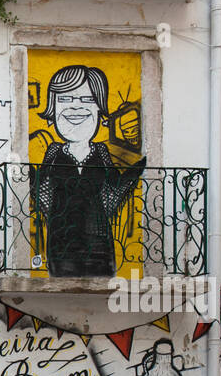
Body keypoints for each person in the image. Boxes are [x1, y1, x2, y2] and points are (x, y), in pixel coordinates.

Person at [34, 64, 145, 277]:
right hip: (61, 241)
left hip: (99, 240)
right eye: (65, 99)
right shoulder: (54, 151)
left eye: (87, 100)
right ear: (53, 109)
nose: (76, 107)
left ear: (99, 110)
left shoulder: (101, 151)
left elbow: (114, 188)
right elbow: (41, 190)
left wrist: (136, 171)